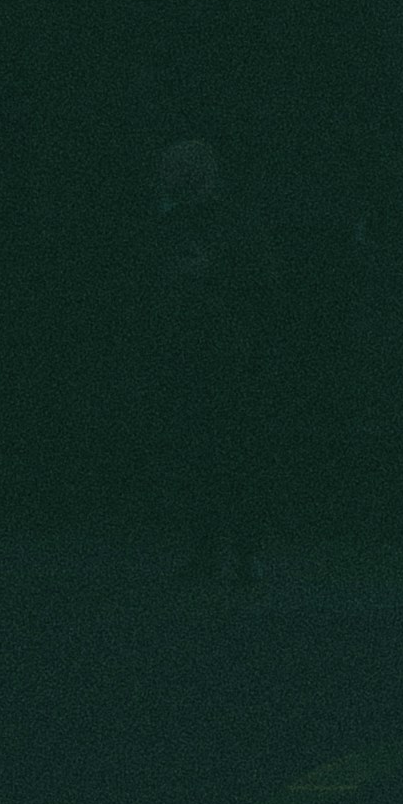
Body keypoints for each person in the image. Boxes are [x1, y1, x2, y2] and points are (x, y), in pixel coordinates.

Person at [141, 140, 281, 587]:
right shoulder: (178, 224)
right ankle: (218, 553)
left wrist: (213, 273)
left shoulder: (221, 225)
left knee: (227, 455)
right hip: (194, 355)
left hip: (226, 356)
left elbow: (261, 282)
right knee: (201, 456)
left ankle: (236, 552)